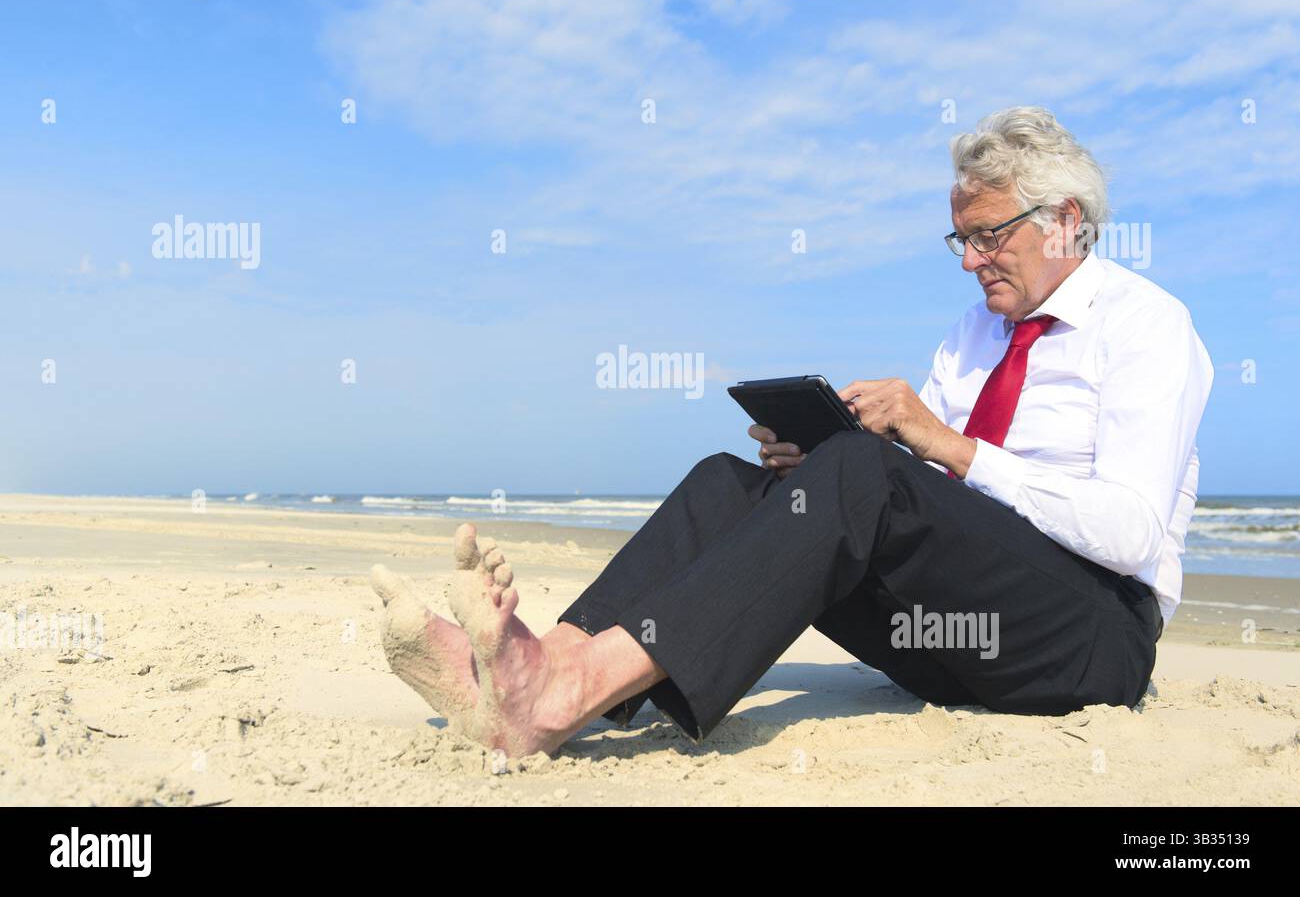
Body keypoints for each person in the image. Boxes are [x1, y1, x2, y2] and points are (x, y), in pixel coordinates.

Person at [370, 106, 1213, 758]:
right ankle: (539, 659)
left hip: (1092, 640)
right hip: (958, 638)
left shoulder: (1146, 326)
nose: (969, 259)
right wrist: (812, 476)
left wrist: (936, 444)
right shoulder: (975, 332)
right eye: (961, 237)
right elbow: (943, 516)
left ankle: (562, 694)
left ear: (1065, 219)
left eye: (989, 234)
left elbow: (1130, 534)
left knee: (865, 472)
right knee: (733, 481)